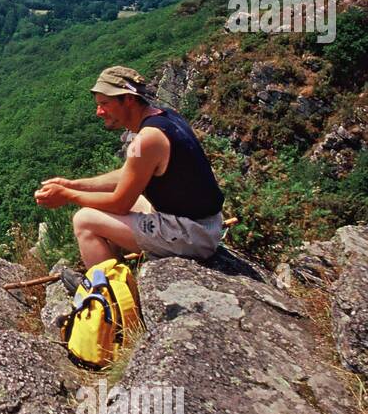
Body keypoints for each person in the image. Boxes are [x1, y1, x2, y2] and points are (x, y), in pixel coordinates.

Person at [35, 66, 225, 268]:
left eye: (105, 104)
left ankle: (111, 292)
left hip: (191, 235)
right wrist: (73, 185)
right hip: (204, 224)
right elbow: (129, 174)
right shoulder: (167, 117)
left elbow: (119, 204)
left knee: (85, 220)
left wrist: (67, 196)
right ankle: (117, 266)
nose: (98, 112)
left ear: (129, 99)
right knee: (112, 204)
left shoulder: (146, 140)